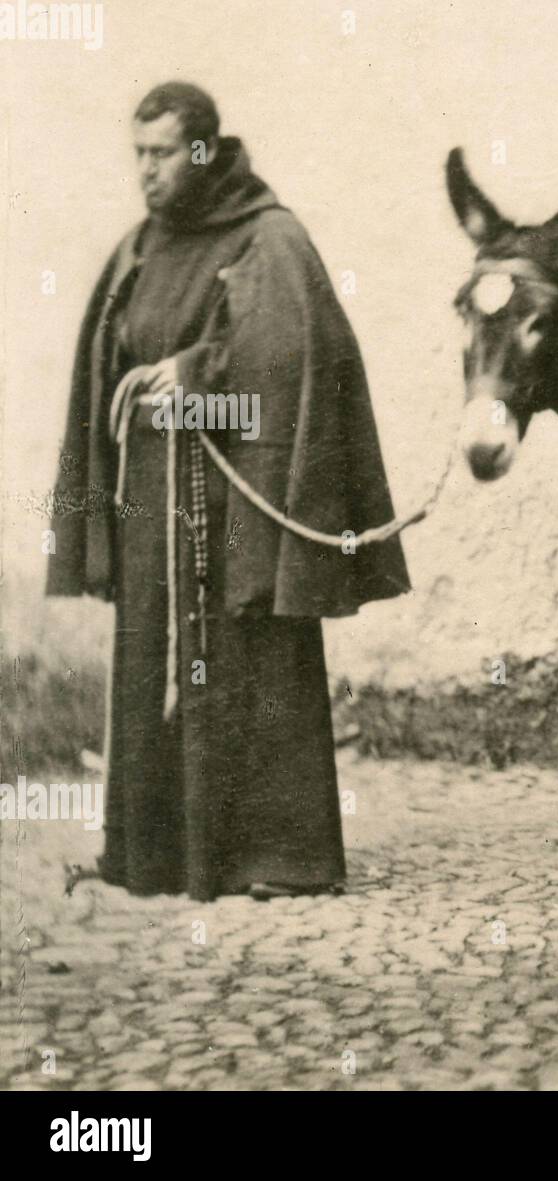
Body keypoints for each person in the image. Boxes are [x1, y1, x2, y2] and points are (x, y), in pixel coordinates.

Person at [46, 81, 410, 900]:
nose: (145, 171)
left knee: (251, 661)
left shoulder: (267, 238)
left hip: (234, 496)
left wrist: (201, 374)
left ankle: (276, 857)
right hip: (152, 494)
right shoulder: (141, 245)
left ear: (204, 151)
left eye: (163, 153)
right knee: (152, 657)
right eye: (137, 153)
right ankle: (156, 853)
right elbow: (114, 350)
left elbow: (292, 356)